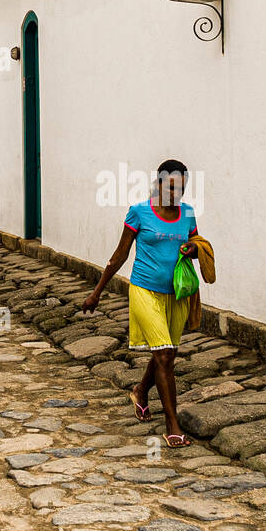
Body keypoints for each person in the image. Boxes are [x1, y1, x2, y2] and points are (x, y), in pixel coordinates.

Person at [82, 158, 198, 448]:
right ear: (158, 184)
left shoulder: (188, 214)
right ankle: (172, 424)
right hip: (145, 290)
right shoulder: (139, 213)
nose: (175, 194)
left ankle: (140, 391)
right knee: (165, 355)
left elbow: (197, 247)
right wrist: (97, 291)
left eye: (180, 188)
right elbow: (119, 255)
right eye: (170, 187)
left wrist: (194, 248)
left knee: (165, 353)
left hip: (176, 294)